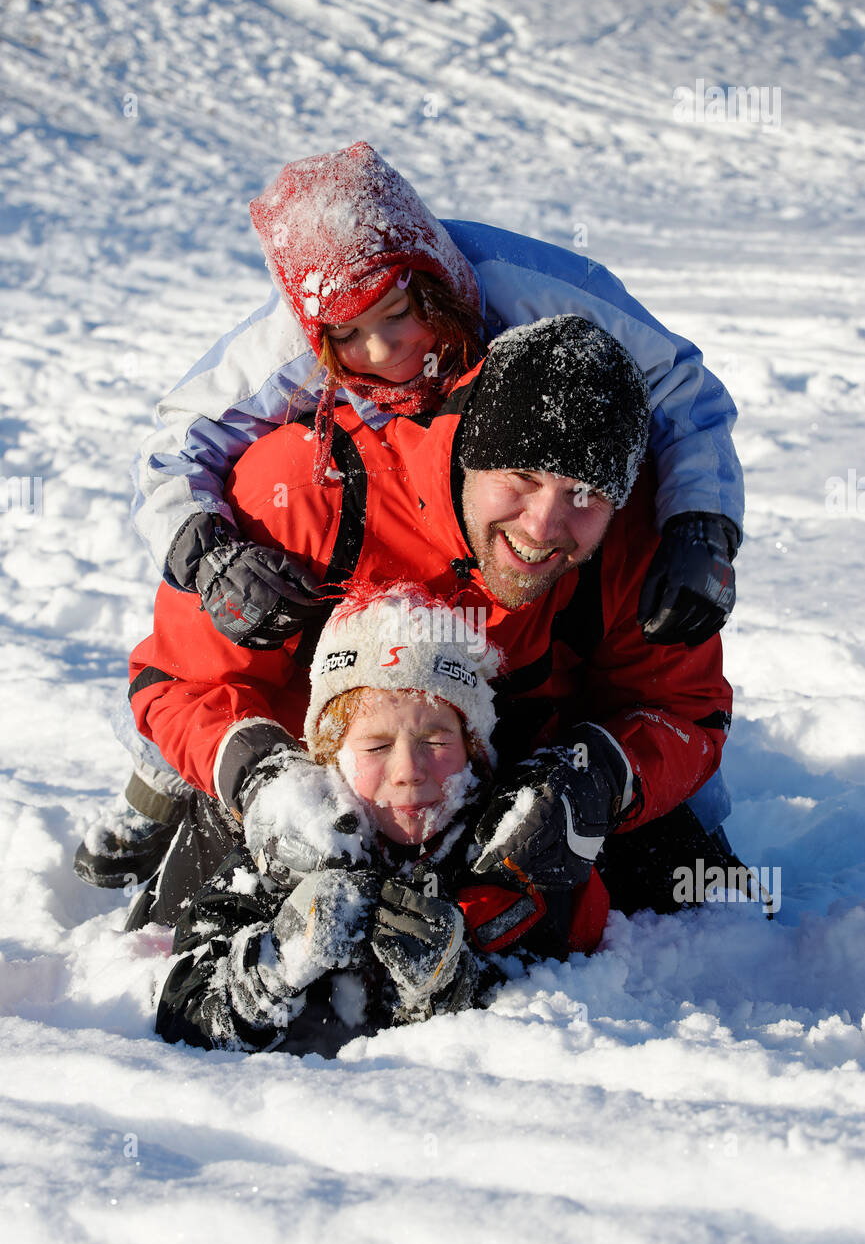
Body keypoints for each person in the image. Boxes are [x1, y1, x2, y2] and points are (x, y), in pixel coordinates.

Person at [74, 142, 742, 891]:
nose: (383, 349)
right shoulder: (295, 396)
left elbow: (685, 392)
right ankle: (161, 779)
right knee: (226, 638)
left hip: (513, 526)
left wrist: (699, 526)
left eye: (398, 312)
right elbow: (177, 445)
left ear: (437, 280)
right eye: (348, 335)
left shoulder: (541, 298)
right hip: (365, 547)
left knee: (677, 809)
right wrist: (210, 556)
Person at [128, 316, 737, 973]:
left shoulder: (639, 536)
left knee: (708, 903)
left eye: (584, 493)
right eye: (521, 477)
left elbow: (684, 710)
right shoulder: (300, 491)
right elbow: (179, 684)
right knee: (187, 947)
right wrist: (260, 774)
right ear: (471, 451)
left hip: (534, 759)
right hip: (318, 766)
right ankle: (151, 818)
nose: (543, 526)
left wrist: (596, 779)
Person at [154, 584, 611, 1055]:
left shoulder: (506, 852)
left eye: (436, 742)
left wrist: (451, 985)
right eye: (375, 747)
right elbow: (182, 1011)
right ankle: (157, 796)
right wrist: (274, 965)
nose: (408, 772)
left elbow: (556, 992)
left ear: (475, 750)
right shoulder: (287, 846)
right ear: (331, 757)